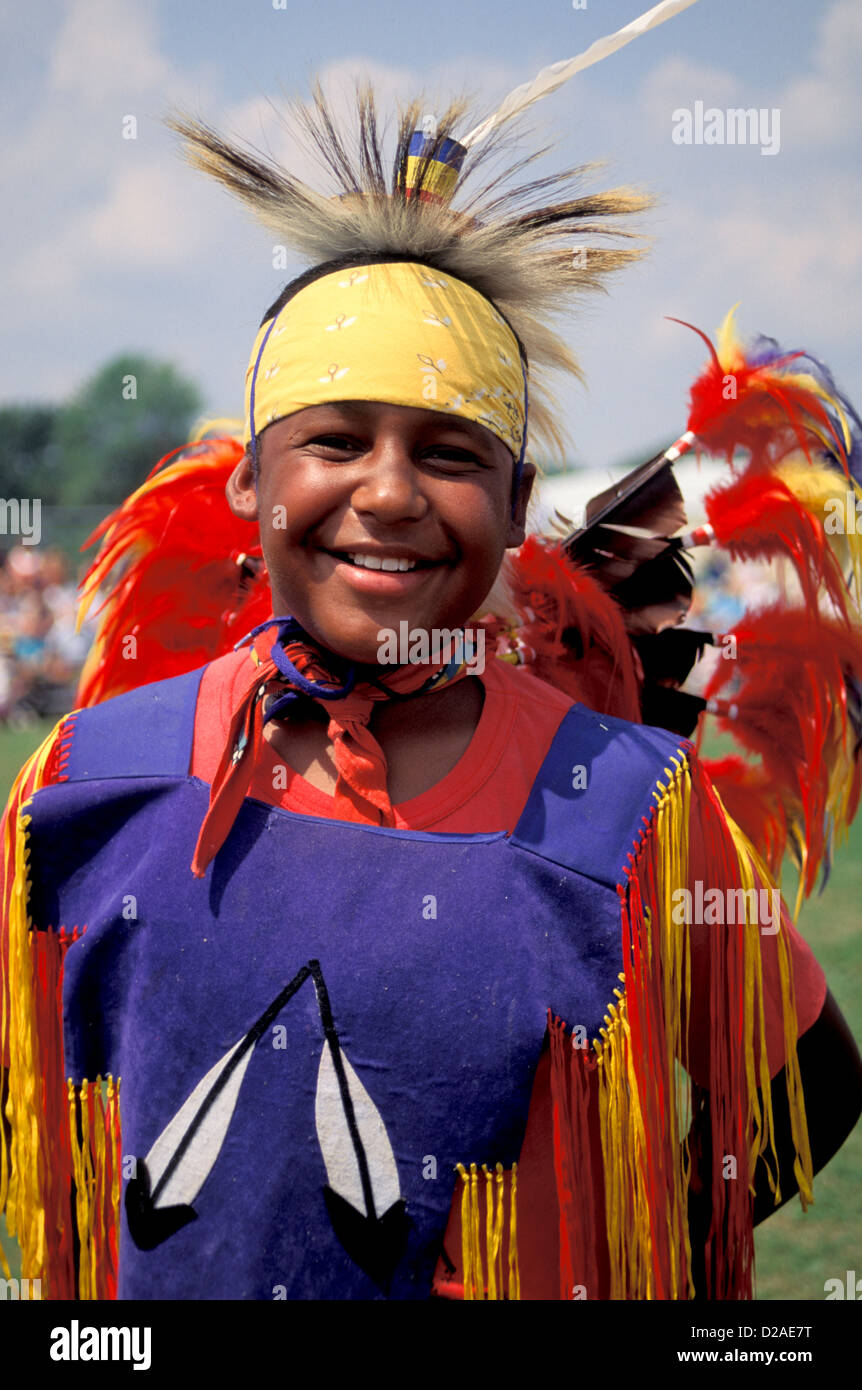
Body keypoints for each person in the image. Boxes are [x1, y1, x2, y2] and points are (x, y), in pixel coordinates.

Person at [2, 54, 862, 1302]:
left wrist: (621, 1248)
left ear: (517, 506)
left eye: (450, 454)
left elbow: (809, 1084)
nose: (391, 493)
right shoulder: (89, 777)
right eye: (336, 440)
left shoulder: (628, 807)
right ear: (249, 483)